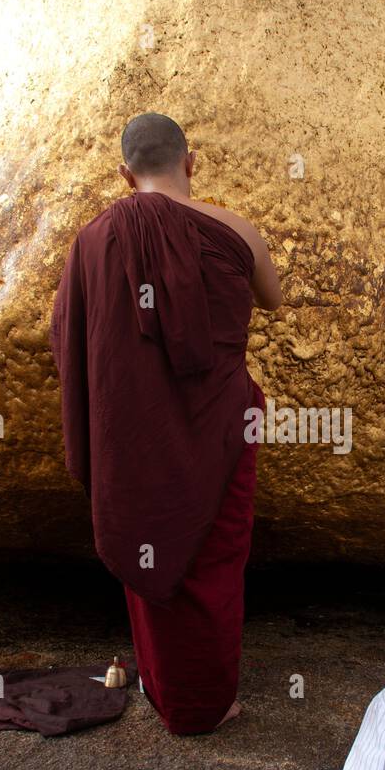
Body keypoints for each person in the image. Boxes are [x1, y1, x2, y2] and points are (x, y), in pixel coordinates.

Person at [50, 112, 282, 734]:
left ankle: (165, 685)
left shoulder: (97, 239)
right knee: (216, 559)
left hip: (137, 428)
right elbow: (274, 298)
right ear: (191, 160)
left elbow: (70, 337)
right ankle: (209, 702)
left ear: (126, 175)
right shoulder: (235, 229)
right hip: (225, 424)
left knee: (149, 544)